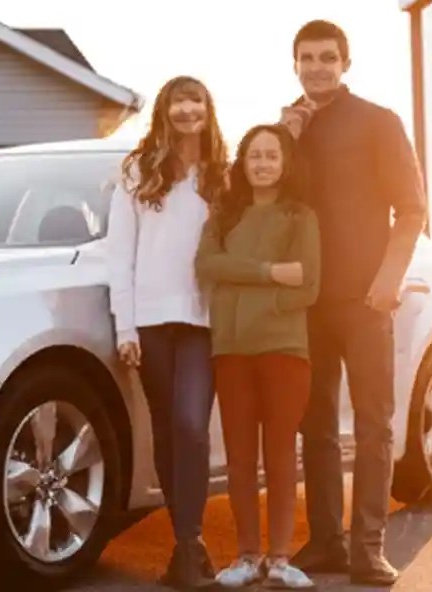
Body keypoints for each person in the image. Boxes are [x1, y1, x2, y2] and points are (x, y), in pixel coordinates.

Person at [280, 20, 427, 587]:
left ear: (345, 63)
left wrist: (389, 279)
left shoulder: (377, 122)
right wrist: (288, 136)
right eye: (306, 58)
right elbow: (262, 200)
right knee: (313, 427)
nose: (317, 67)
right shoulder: (286, 128)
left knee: (373, 425)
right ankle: (325, 541)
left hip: (366, 300)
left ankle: (368, 547)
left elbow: (411, 209)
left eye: (327, 57)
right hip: (306, 303)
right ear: (293, 63)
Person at [107, 75, 229, 590]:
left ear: (208, 109)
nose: (186, 110)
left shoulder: (223, 174)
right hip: (152, 321)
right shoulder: (137, 171)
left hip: (205, 320)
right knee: (165, 427)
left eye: (194, 100)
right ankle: (188, 546)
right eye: (178, 101)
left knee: (190, 425)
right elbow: (120, 253)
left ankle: (190, 539)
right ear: (164, 109)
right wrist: (125, 325)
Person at [196, 124, 320, 589]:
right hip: (231, 349)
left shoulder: (300, 216)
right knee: (241, 456)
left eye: (271, 155)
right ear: (242, 163)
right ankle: (247, 556)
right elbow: (208, 265)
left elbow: (308, 284)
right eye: (254, 156)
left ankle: (281, 557)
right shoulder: (225, 216)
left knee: (282, 453)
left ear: (285, 163)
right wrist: (270, 273)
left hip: (286, 350)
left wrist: (247, 289)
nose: (263, 163)